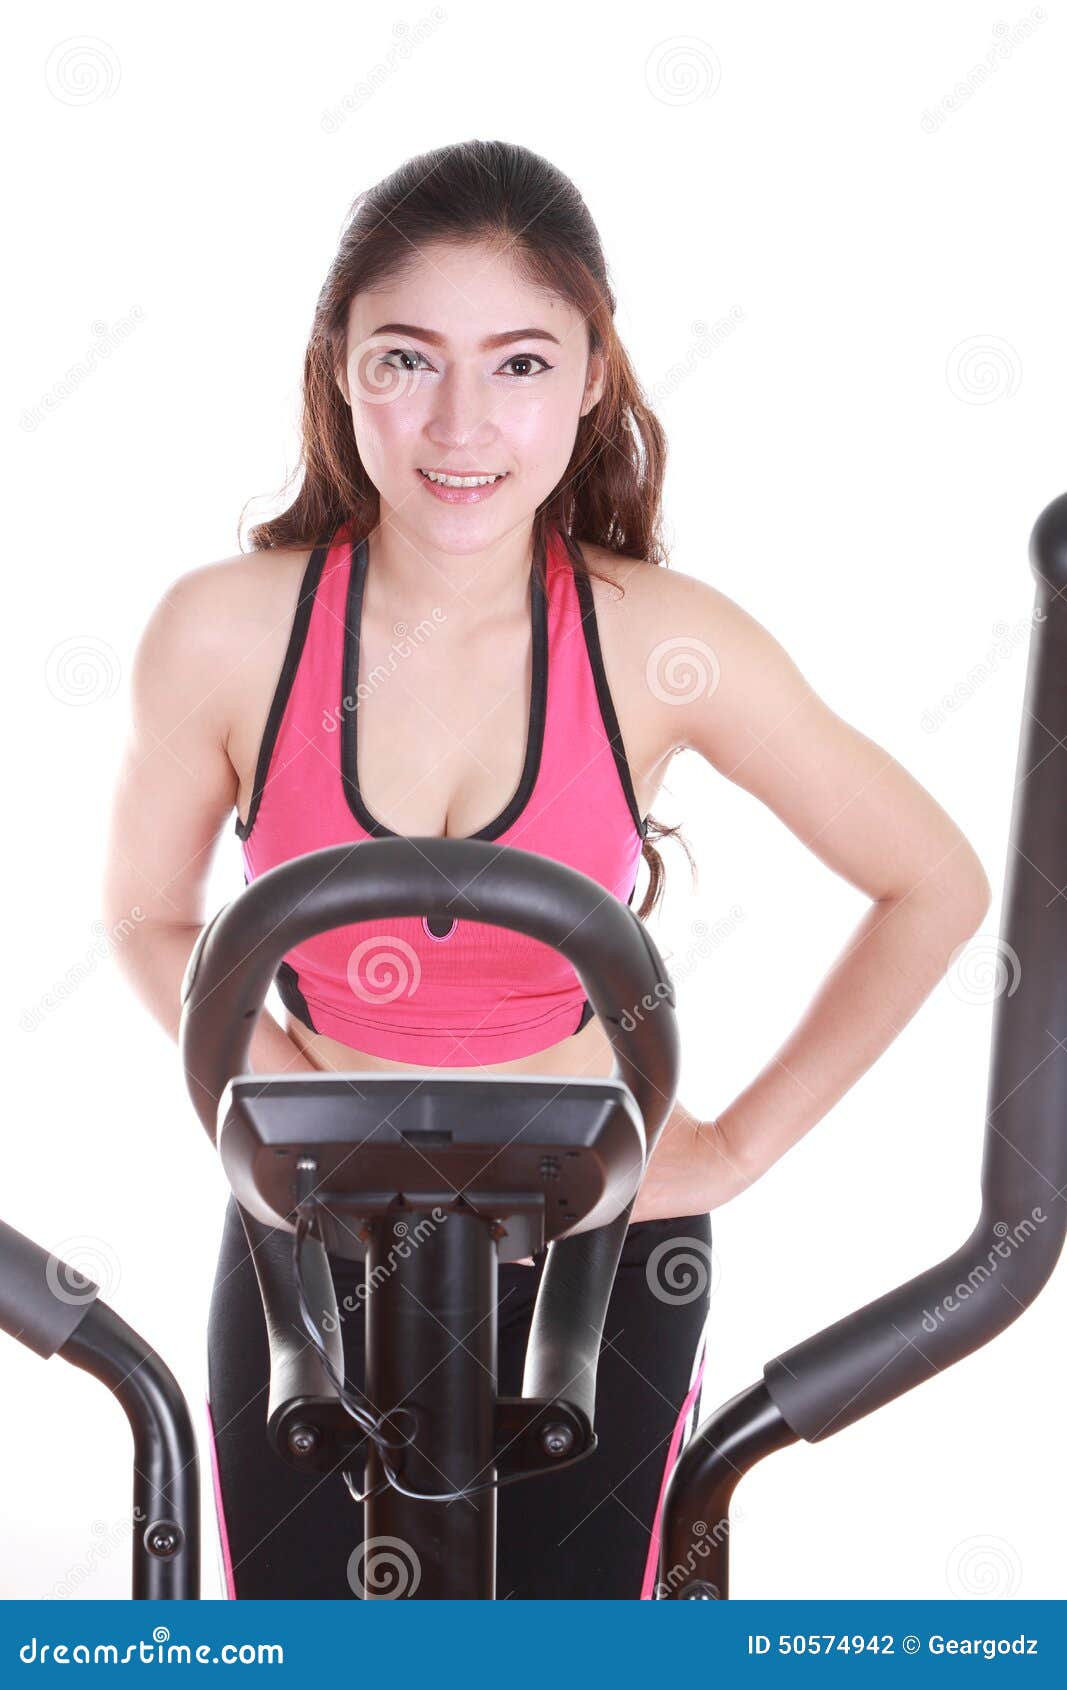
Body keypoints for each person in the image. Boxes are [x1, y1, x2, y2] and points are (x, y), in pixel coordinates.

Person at [104, 139, 990, 1599]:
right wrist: (273, 1092)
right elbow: (146, 915)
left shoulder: (660, 639)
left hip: (599, 1224)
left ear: (590, 377)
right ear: (339, 367)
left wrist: (732, 1149)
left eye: (519, 363)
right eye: (408, 360)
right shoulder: (221, 633)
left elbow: (933, 880)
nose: (461, 423)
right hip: (313, 1231)